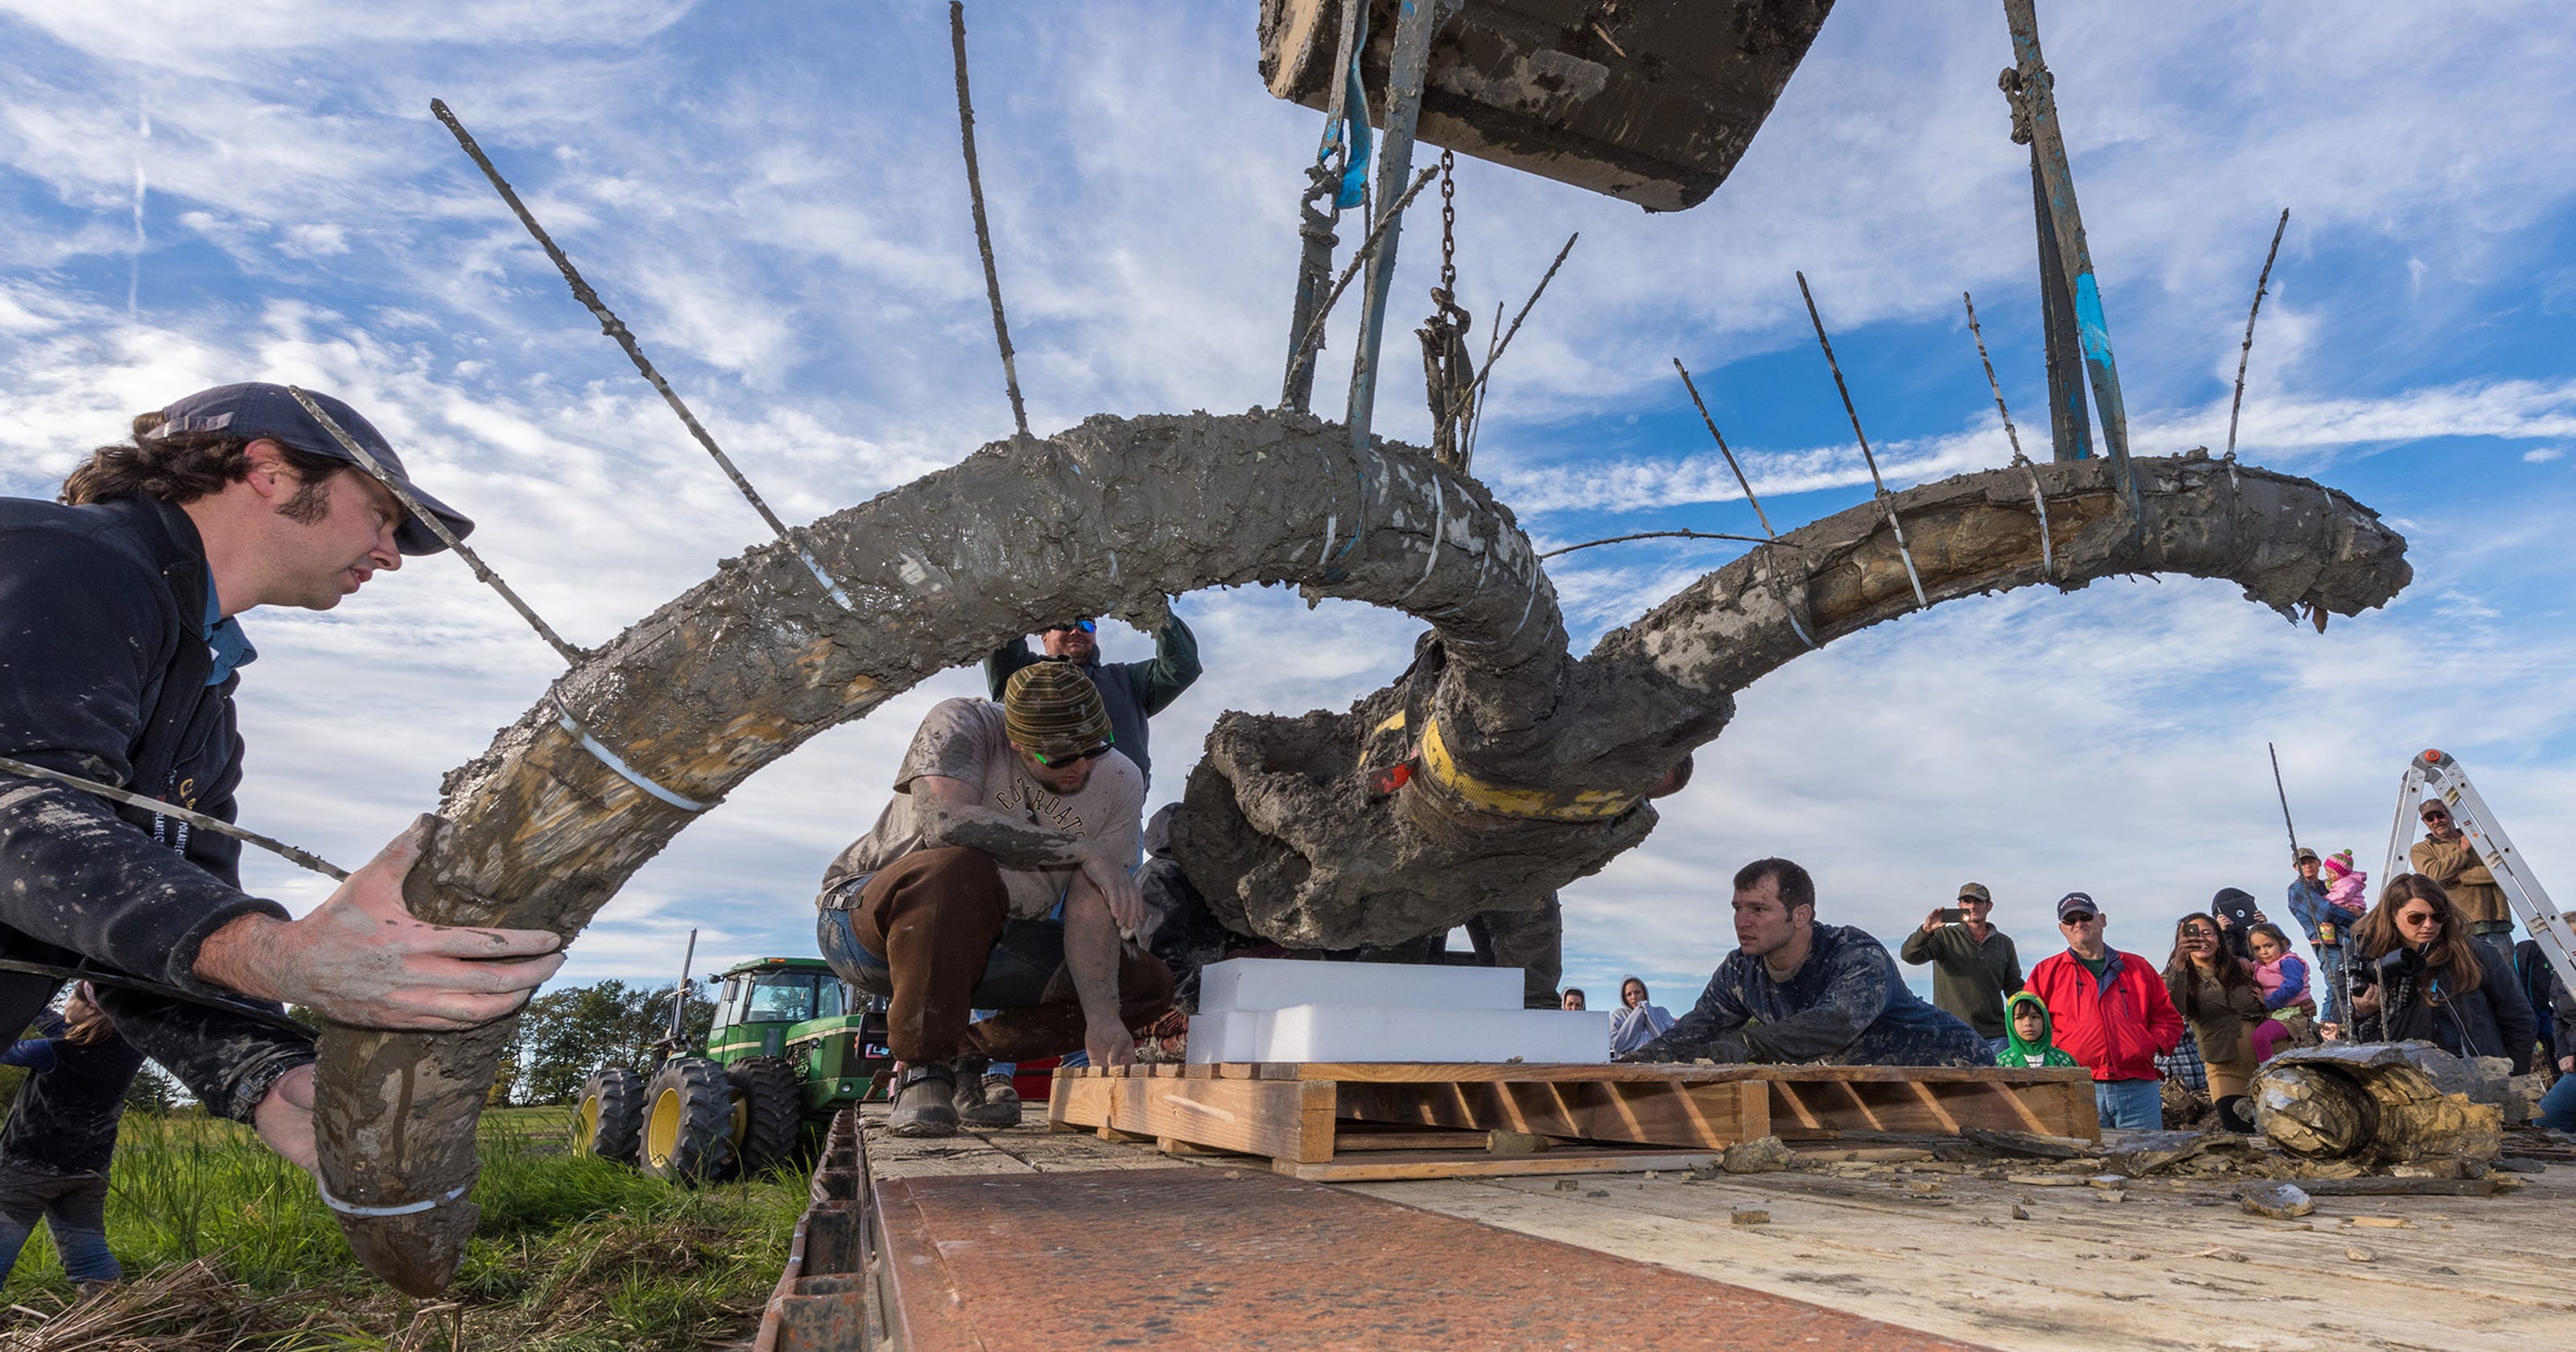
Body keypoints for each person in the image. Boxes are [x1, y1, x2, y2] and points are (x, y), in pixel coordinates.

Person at [0, 385, 568, 1171]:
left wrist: (273, 1077)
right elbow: (20, 816)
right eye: (379, 512)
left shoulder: (203, 709)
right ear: (267, 469)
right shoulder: (61, 559)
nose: (390, 553)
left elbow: (140, 939)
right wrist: (275, 950)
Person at [815, 662, 1172, 1136]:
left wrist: (1103, 1017)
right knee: (959, 866)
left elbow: (1089, 905)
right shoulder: (963, 723)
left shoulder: (1120, 779)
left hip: (994, 943)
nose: (1081, 767)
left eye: (1093, 749)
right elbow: (947, 822)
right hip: (868, 927)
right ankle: (924, 1068)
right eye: (1060, 758)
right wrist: (1081, 849)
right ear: (1018, 741)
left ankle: (969, 1049)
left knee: (1145, 984)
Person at [1624, 859, 1987, 1067]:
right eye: (1737, 908)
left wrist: (1748, 1045)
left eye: (1758, 909)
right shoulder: (1740, 970)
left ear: (1801, 915)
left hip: (1955, 1068)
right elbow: (1695, 1029)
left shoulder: (1856, 953)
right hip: (1867, 1089)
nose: (1742, 921)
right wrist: (1625, 1067)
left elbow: (1833, 1023)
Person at [0, 986, 145, 1289]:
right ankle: (108, 1319)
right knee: (89, 1256)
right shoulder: (128, 1048)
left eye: (69, 998)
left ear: (91, 1009)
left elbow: (8, 1049)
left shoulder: (55, 1051)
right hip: (87, 1172)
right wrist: (33, 1001)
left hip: (28, 1170)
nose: (64, 1003)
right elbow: (67, 1030)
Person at [2021, 892, 2184, 1131]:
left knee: (2148, 1158)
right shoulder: (2046, 972)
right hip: (2076, 1087)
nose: (2079, 924)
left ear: (2102, 920)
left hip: (2137, 1088)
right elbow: (2025, 1023)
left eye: (2085, 916)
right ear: (2062, 929)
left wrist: (2148, 1044)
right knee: (2084, 1163)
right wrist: (2059, 1052)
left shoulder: (2138, 967)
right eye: (2070, 920)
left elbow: (2167, 1017)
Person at [985, 612, 1200, 790]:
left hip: (1115, 812)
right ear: (1043, 636)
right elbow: (1000, 625)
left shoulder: (1128, 680)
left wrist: (1154, 609)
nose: (1076, 630)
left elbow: (1182, 667)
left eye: (1086, 625)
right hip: (1029, 808)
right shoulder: (1019, 672)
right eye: (1063, 624)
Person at [2347, 874, 2536, 1071]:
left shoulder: (2474, 953)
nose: (2429, 925)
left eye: (2438, 916)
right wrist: (2361, 1011)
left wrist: (2512, 1076)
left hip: (2471, 1075)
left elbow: (2519, 1018)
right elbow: (2339, 1011)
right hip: (2398, 1079)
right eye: (2416, 918)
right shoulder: (2363, 953)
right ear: (2392, 915)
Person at [2162, 914, 2269, 1133]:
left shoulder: (2242, 968)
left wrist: (2302, 1004)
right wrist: (2180, 962)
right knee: (2243, 1136)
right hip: (2225, 1069)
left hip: (2269, 1066)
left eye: (2207, 933)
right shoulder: (2175, 976)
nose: (2201, 939)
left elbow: (2277, 986)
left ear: (2219, 939)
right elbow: (2174, 1009)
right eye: (2191, 934)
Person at [1898, 882, 2023, 1055]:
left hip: (1996, 1036)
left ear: (1989, 906)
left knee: (1998, 1082)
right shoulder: (1943, 937)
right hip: (1951, 1032)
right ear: (1959, 906)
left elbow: (2014, 987)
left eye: (1978, 902)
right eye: (1967, 901)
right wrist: (1925, 930)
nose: (1972, 906)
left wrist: (2031, 1011)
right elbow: (1910, 956)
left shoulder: (2004, 943)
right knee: (1953, 1083)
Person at [2409, 799, 2515, 967]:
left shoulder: (2482, 841)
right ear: (2424, 822)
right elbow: (2432, 876)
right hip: (2458, 927)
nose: (2437, 821)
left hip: (2496, 921)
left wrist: (2458, 877)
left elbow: (2505, 871)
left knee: (2508, 982)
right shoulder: (2422, 849)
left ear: (2450, 814)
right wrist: (2463, 850)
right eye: (2430, 818)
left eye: (2440, 815)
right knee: (2469, 981)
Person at [2285, 846, 2360, 1031]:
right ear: (2296, 868)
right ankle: (2328, 1027)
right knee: (2336, 985)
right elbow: (2325, 912)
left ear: (2319, 864)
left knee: (2353, 983)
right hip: (2327, 944)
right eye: (2302, 863)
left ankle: (2347, 1026)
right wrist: (2359, 918)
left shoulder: (2329, 885)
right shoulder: (2298, 889)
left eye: (2311, 861)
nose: (2307, 865)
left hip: (2347, 939)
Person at [2244, 921, 2314, 1052]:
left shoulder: (2288, 961)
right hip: (2276, 1013)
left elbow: (2293, 986)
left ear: (2284, 944)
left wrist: (2268, 1001)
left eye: (2268, 946)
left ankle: (2267, 1070)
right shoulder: (2258, 966)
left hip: (2293, 1014)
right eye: (2257, 948)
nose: (2263, 952)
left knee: (2260, 1037)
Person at [1992, 991, 2081, 1070]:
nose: (2028, 1023)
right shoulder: (2001, 1063)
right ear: (2011, 1023)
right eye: (2020, 1018)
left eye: (2034, 1017)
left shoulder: (2063, 1060)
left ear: (2045, 1020)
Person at [1608, 977, 1674, 1057]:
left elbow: (1669, 1042)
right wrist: (1638, 1012)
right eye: (1629, 994)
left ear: (1644, 993)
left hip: (1660, 1065)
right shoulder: (1618, 1015)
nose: (1634, 997)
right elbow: (1617, 1046)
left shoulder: (1661, 1012)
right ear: (1624, 998)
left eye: (1637, 992)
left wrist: (1649, 1012)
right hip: (1628, 1067)